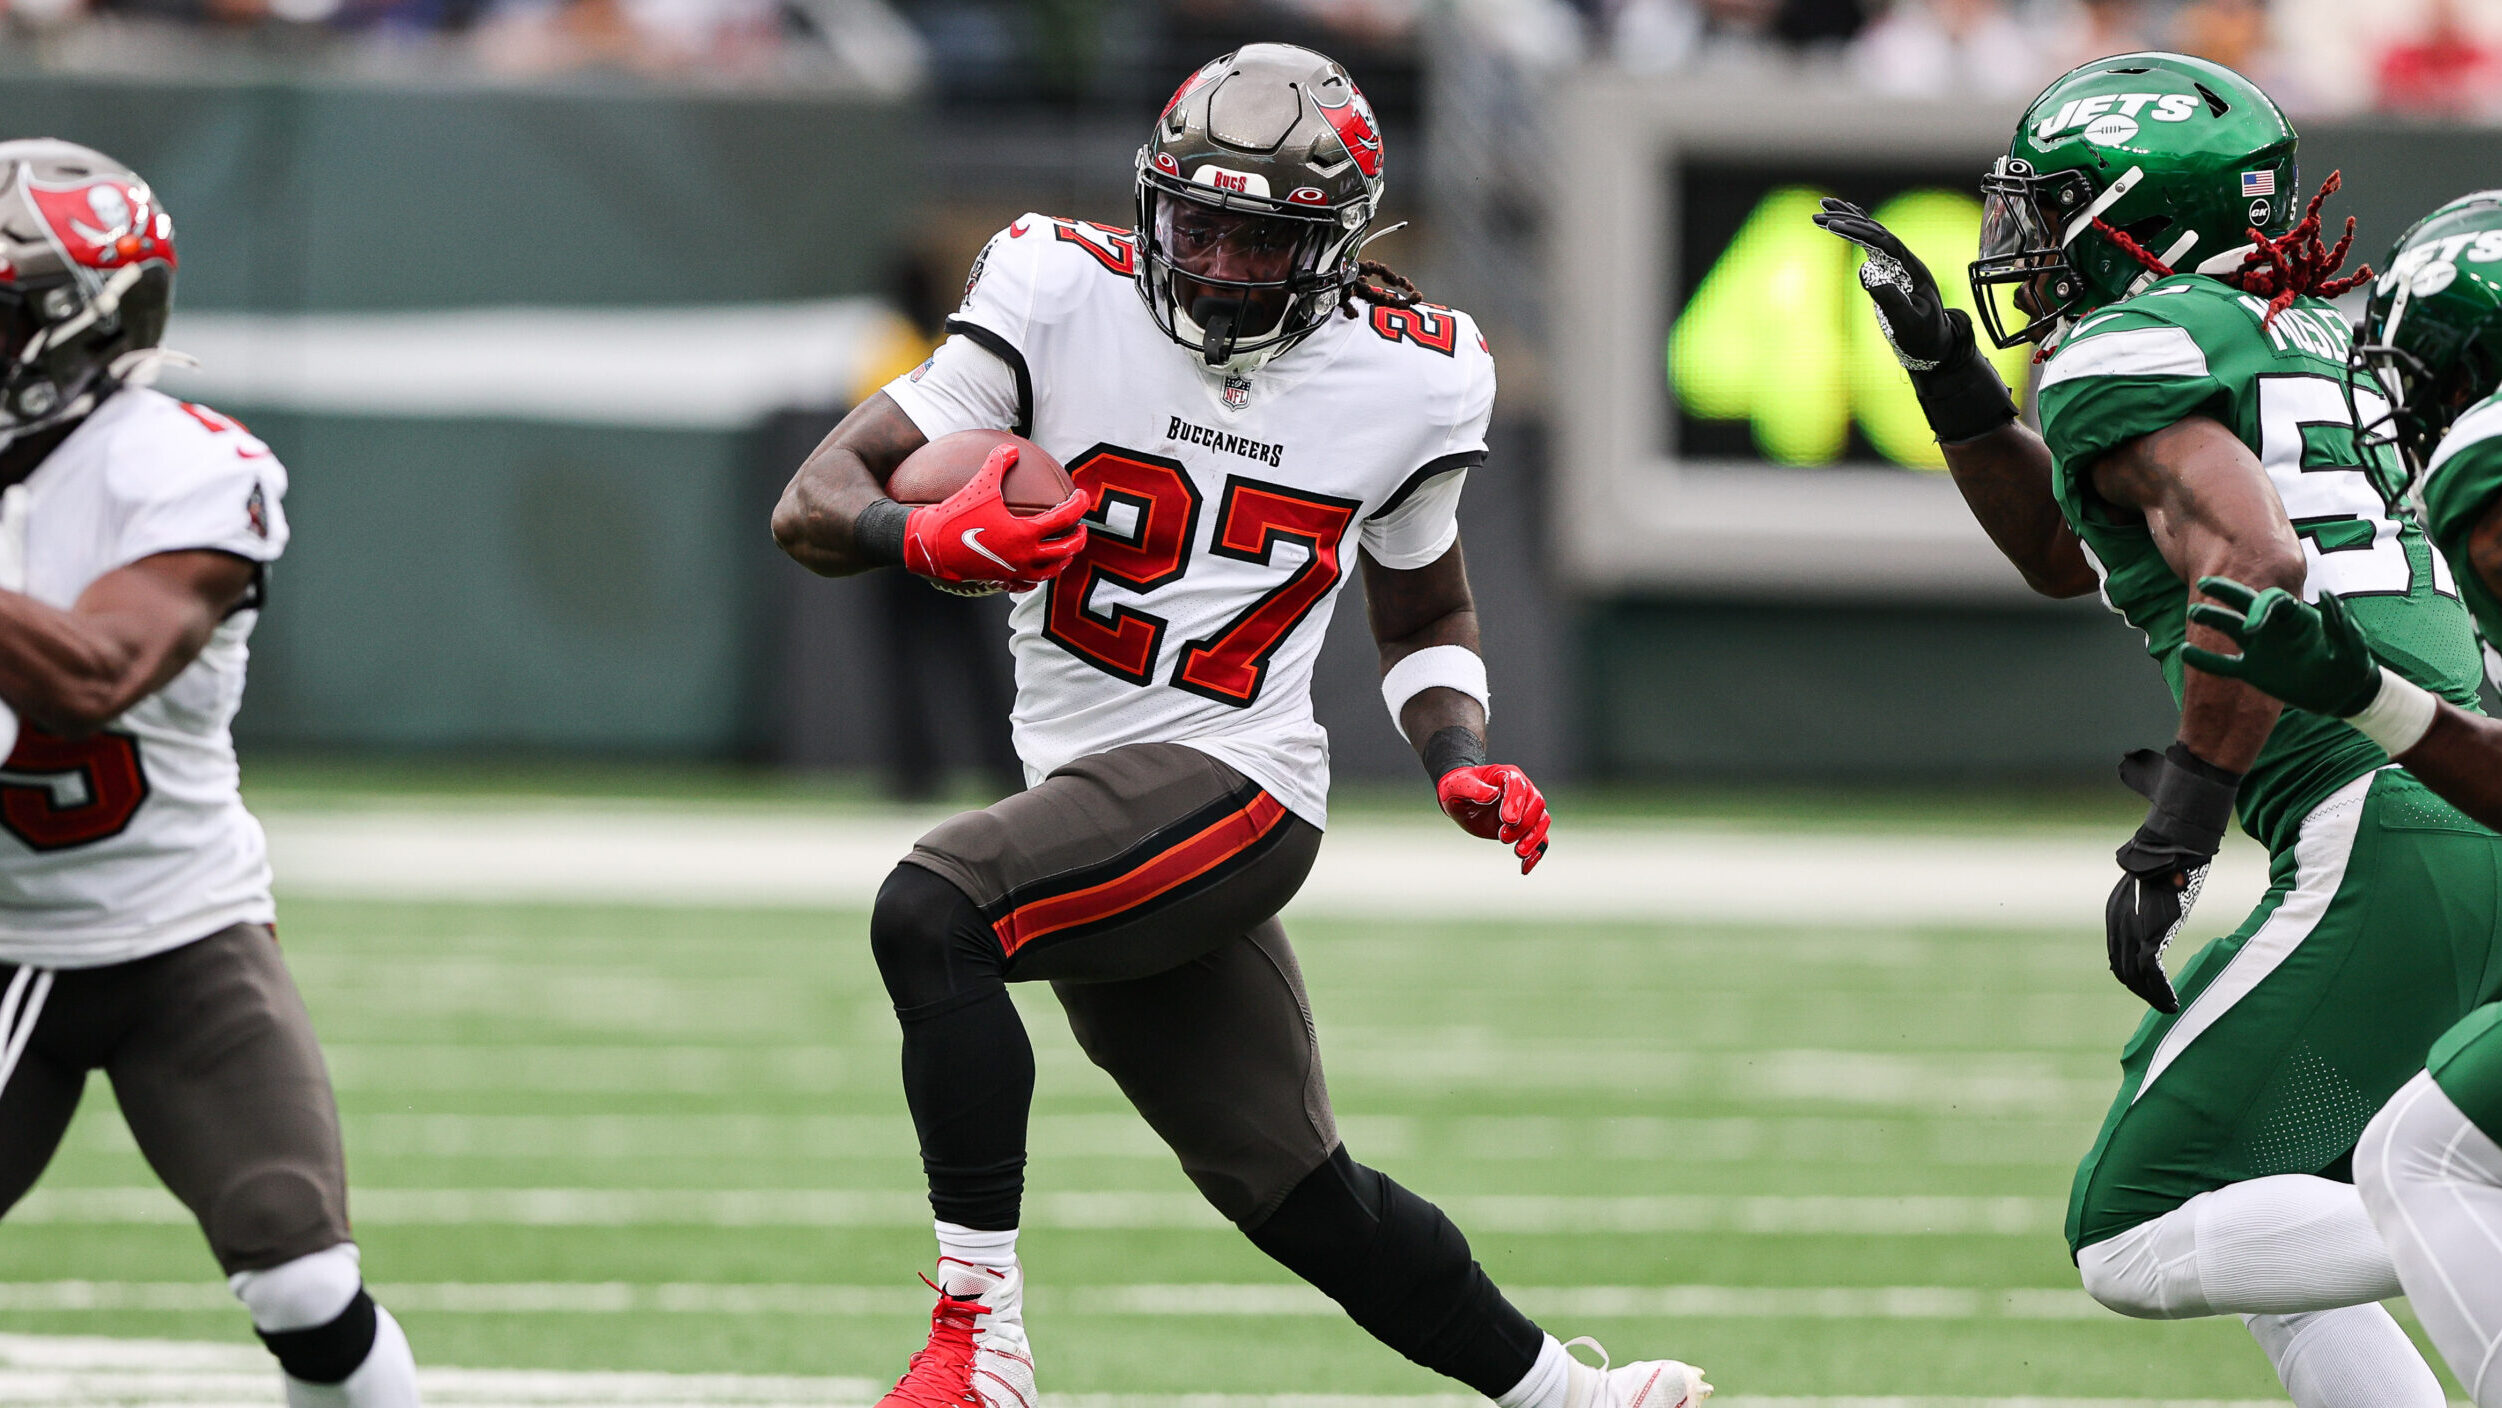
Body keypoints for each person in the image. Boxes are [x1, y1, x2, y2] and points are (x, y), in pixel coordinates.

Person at [772, 43, 1704, 1408]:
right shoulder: (1051, 287)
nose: (1207, 261)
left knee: (930, 909)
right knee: (1293, 1190)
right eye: (1189, 220)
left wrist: (1458, 755)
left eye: (1251, 238)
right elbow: (811, 501)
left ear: (1333, 246)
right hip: (1086, 792)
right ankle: (1576, 1396)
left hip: (1240, 787)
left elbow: (1425, 613)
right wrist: (917, 533)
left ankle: (979, 1347)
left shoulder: (1416, 375)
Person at [1817, 53, 2501, 1408]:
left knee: (2127, 1232)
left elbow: (2252, 561)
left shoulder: (2136, 343)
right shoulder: (2316, 329)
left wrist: (2179, 819)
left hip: (2382, 812)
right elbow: (2073, 553)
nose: (2023, 241)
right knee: (2252, 1196)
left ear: (2144, 215)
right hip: (2459, 783)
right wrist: (1945, 374)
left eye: (2051, 205)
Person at [0, 141, 421, 1408]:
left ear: (76, 322)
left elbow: (91, 676)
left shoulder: (187, 465)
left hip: (175, 932)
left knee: (301, 1278)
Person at [2175, 189, 2502, 1408]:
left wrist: (2364, 694)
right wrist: (2375, 697)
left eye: (2415, 371)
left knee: (2424, 1162)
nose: (2388, 406)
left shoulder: (2485, 476)